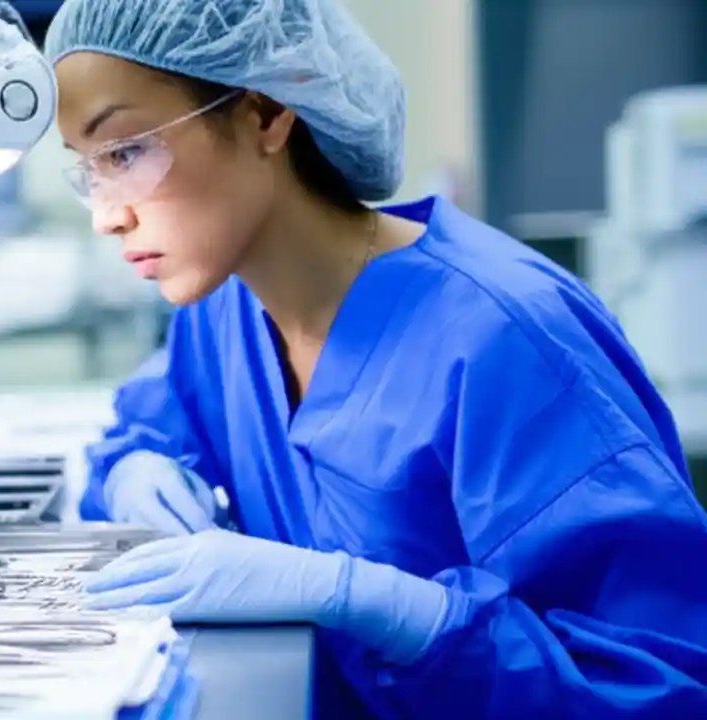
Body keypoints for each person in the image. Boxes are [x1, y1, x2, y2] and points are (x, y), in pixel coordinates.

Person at [44, 0, 707, 717]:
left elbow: (660, 683)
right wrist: (139, 472)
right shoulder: (225, 308)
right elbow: (151, 427)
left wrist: (398, 612)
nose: (106, 215)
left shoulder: (503, 338)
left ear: (265, 112)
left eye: (126, 152)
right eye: (88, 171)